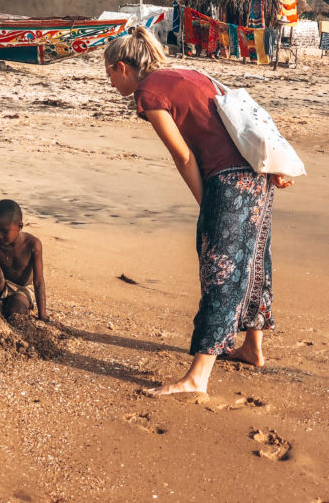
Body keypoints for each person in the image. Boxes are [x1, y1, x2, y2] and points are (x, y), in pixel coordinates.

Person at [104, 27, 294, 397]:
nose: (110, 83)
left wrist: (205, 200)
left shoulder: (148, 93)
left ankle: (198, 377)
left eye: (109, 74)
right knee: (253, 260)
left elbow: (183, 154)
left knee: (220, 268)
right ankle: (252, 348)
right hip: (257, 172)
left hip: (230, 177)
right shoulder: (185, 73)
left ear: (123, 67)